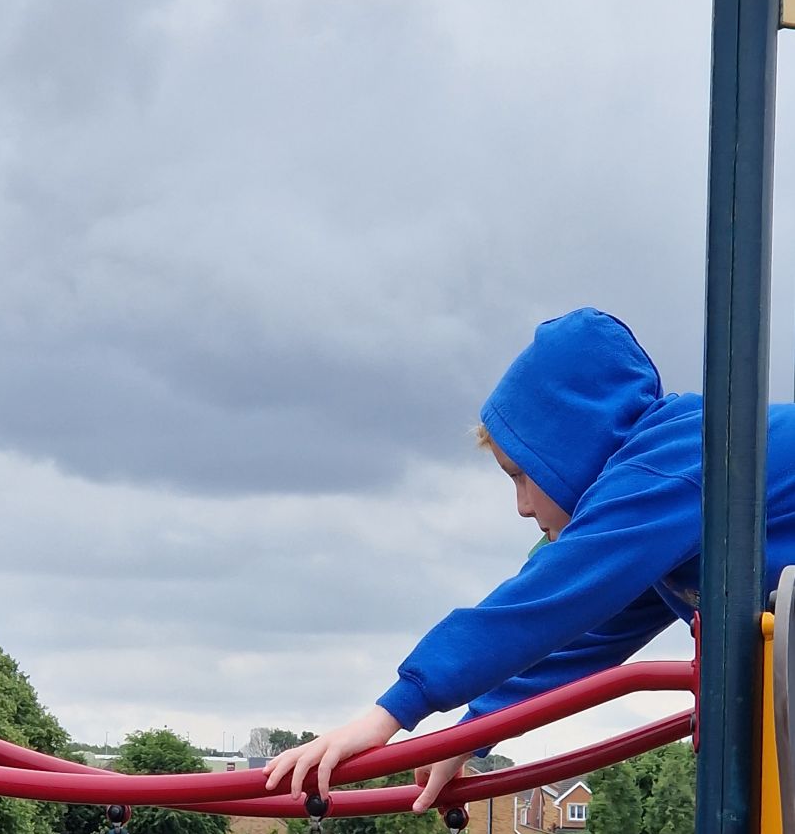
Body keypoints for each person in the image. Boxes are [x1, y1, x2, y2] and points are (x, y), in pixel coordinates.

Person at [265, 305, 795, 808]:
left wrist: (389, 715)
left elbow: (547, 600)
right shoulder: (665, 520)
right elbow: (584, 637)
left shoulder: (678, 460)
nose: (522, 507)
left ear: (571, 443)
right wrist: (472, 731)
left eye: (520, 475)